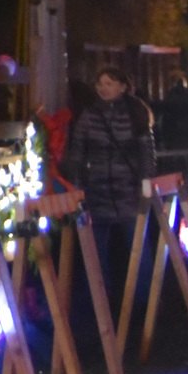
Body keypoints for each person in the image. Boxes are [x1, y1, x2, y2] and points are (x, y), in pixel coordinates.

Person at [63, 66, 157, 292]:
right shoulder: (89, 115)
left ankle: (144, 298)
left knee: (138, 248)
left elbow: (146, 150)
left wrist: (146, 180)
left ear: (122, 87)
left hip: (128, 192)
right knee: (95, 252)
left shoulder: (136, 112)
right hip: (97, 193)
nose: (103, 88)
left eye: (109, 83)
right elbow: (77, 150)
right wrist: (74, 184)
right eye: (100, 84)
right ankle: (98, 299)